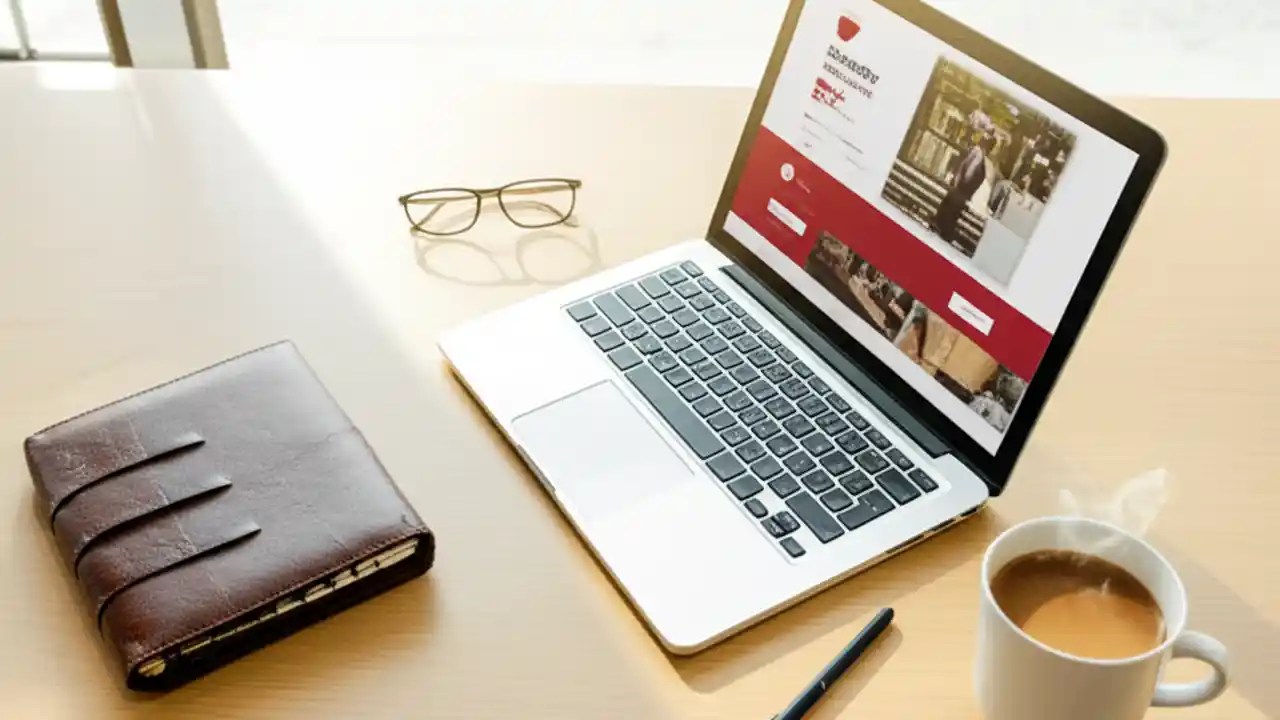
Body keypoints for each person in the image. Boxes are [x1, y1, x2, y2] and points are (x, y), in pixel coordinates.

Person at [933, 135, 996, 246]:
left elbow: (967, 172)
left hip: (958, 193)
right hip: (962, 196)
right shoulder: (982, 160)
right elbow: (968, 174)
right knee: (947, 222)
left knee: (944, 220)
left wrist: (958, 180)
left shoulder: (977, 155)